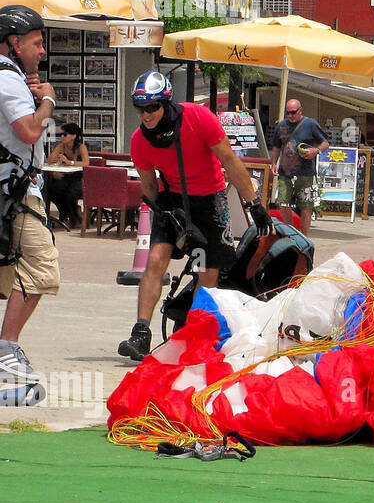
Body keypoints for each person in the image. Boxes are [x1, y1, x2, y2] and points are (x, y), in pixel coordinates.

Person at [122, 70, 270, 361]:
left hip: (209, 203)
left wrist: (254, 204)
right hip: (174, 202)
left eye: (152, 107)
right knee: (155, 259)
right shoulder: (140, 140)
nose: (146, 114)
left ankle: (194, 334)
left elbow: (229, 160)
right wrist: (161, 217)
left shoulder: (198, 118)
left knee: (207, 270)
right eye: (140, 108)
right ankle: (141, 333)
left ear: (165, 102)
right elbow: (149, 186)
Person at [0, 4, 59, 387]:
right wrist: (49, 100)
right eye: (36, 43)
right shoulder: (6, 80)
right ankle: (7, 349)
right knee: (41, 269)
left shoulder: (17, 80)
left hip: (20, 189)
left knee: (10, 273)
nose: (42, 51)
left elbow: (46, 143)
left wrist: (41, 99)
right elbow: (30, 133)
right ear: (14, 43)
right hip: (16, 195)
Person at [269, 98, 329, 236]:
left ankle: (304, 235)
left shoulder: (310, 124)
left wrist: (316, 151)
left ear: (300, 110)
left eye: (293, 112)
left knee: (306, 206)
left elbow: (325, 143)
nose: (290, 115)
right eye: (288, 113)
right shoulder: (282, 125)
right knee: (283, 203)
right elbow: (277, 146)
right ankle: (291, 233)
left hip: (305, 173)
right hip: (286, 172)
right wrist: (273, 163)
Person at [44, 122, 90, 227]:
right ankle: (64, 213)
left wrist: (71, 162)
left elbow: (86, 163)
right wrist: (54, 158)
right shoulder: (61, 146)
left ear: (73, 136)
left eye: (65, 134)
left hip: (79, 178)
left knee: (71, 194)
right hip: (66, 177)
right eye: (61, 134)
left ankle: (73, 217)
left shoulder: (81, 147)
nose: (62, 136)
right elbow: (49, 160)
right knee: (53, 190)